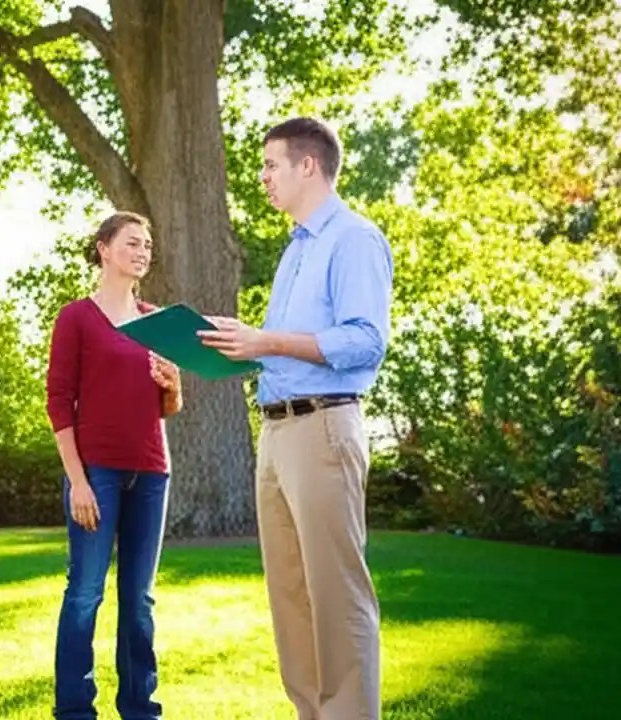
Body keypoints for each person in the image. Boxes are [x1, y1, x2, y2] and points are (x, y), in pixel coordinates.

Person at [198, 117, 393, 720]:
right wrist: (235, 349)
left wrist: (268, 343)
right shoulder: (296, 250)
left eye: (270, 166)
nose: (262, 178)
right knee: (290, 596)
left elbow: (365, 342)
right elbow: (280, 347)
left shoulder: (353, 239)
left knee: (336, 595)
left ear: (308, 166)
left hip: (323, 431)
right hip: (277, 433)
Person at [45, 211, 182, 720]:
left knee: (139, 600)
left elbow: (166, 407)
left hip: (151, 472)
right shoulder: (77, 317)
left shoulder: (158, 320)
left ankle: (139, 707)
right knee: (85, 593)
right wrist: (77, 480)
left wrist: (173, 386)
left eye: (147, 244)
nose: (143, 251)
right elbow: (59, 401)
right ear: (104, 248)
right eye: (132, 242)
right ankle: (75, 709)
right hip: (96, 472)